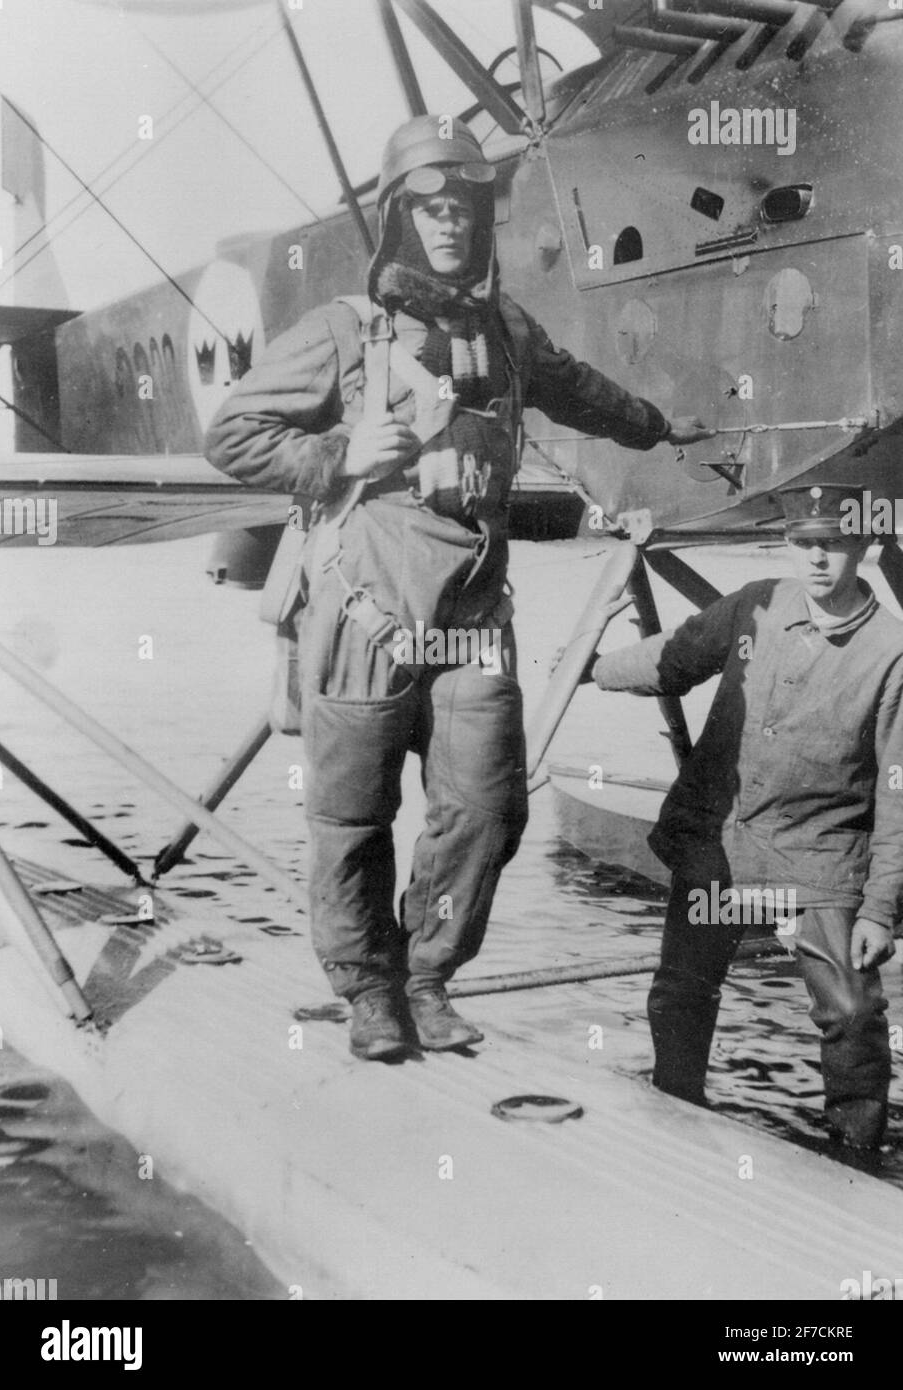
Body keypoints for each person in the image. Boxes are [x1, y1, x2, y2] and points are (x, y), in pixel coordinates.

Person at [205, 115, 712, 1062]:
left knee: (484, 810)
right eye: (430, 208)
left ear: (483, 220)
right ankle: (368, 990)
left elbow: (578, 391)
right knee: (352, 820)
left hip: (475, 620)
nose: (448, 224)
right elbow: (232, 434)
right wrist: (332, 450)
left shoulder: (508, 332)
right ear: (402, 217)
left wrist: (656, 426)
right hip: (365, 613)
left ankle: (428, 976)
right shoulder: (343, 334)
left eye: (464, 208)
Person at [588, 483, 903, 1149]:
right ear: (788, 545)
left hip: (818, 857)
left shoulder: (892, 653)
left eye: (833, 545)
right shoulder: (755, 603)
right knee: (681, 989)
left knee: (851, 1011)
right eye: (803, 543)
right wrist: (591, 669)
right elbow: (673, 659)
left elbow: (900, 794)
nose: (817, 560)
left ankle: (857, 1156)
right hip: (720, 845)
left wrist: (879, 908)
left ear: (863, 546)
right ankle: (675, 1113)